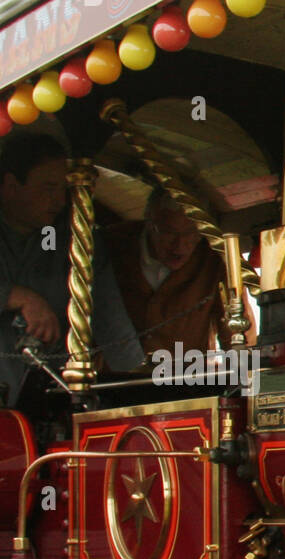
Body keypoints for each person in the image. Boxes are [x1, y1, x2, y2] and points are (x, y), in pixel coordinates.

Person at [0, 132, 143, 405]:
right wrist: (17, 296)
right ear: (10, 185)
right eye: (48, 188)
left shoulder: (76, 237)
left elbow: (110, 318)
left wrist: (142, 383)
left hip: (48, 400)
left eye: (62, 189)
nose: (60, 200)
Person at [106, 187, 254, 361]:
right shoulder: (112, 245)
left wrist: (244, 377)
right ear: (149, 222)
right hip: (112, 380)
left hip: (189, 381)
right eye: (169, 233)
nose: (180, 246)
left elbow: (238, 331)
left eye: (191, 234)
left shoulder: (216, 257)